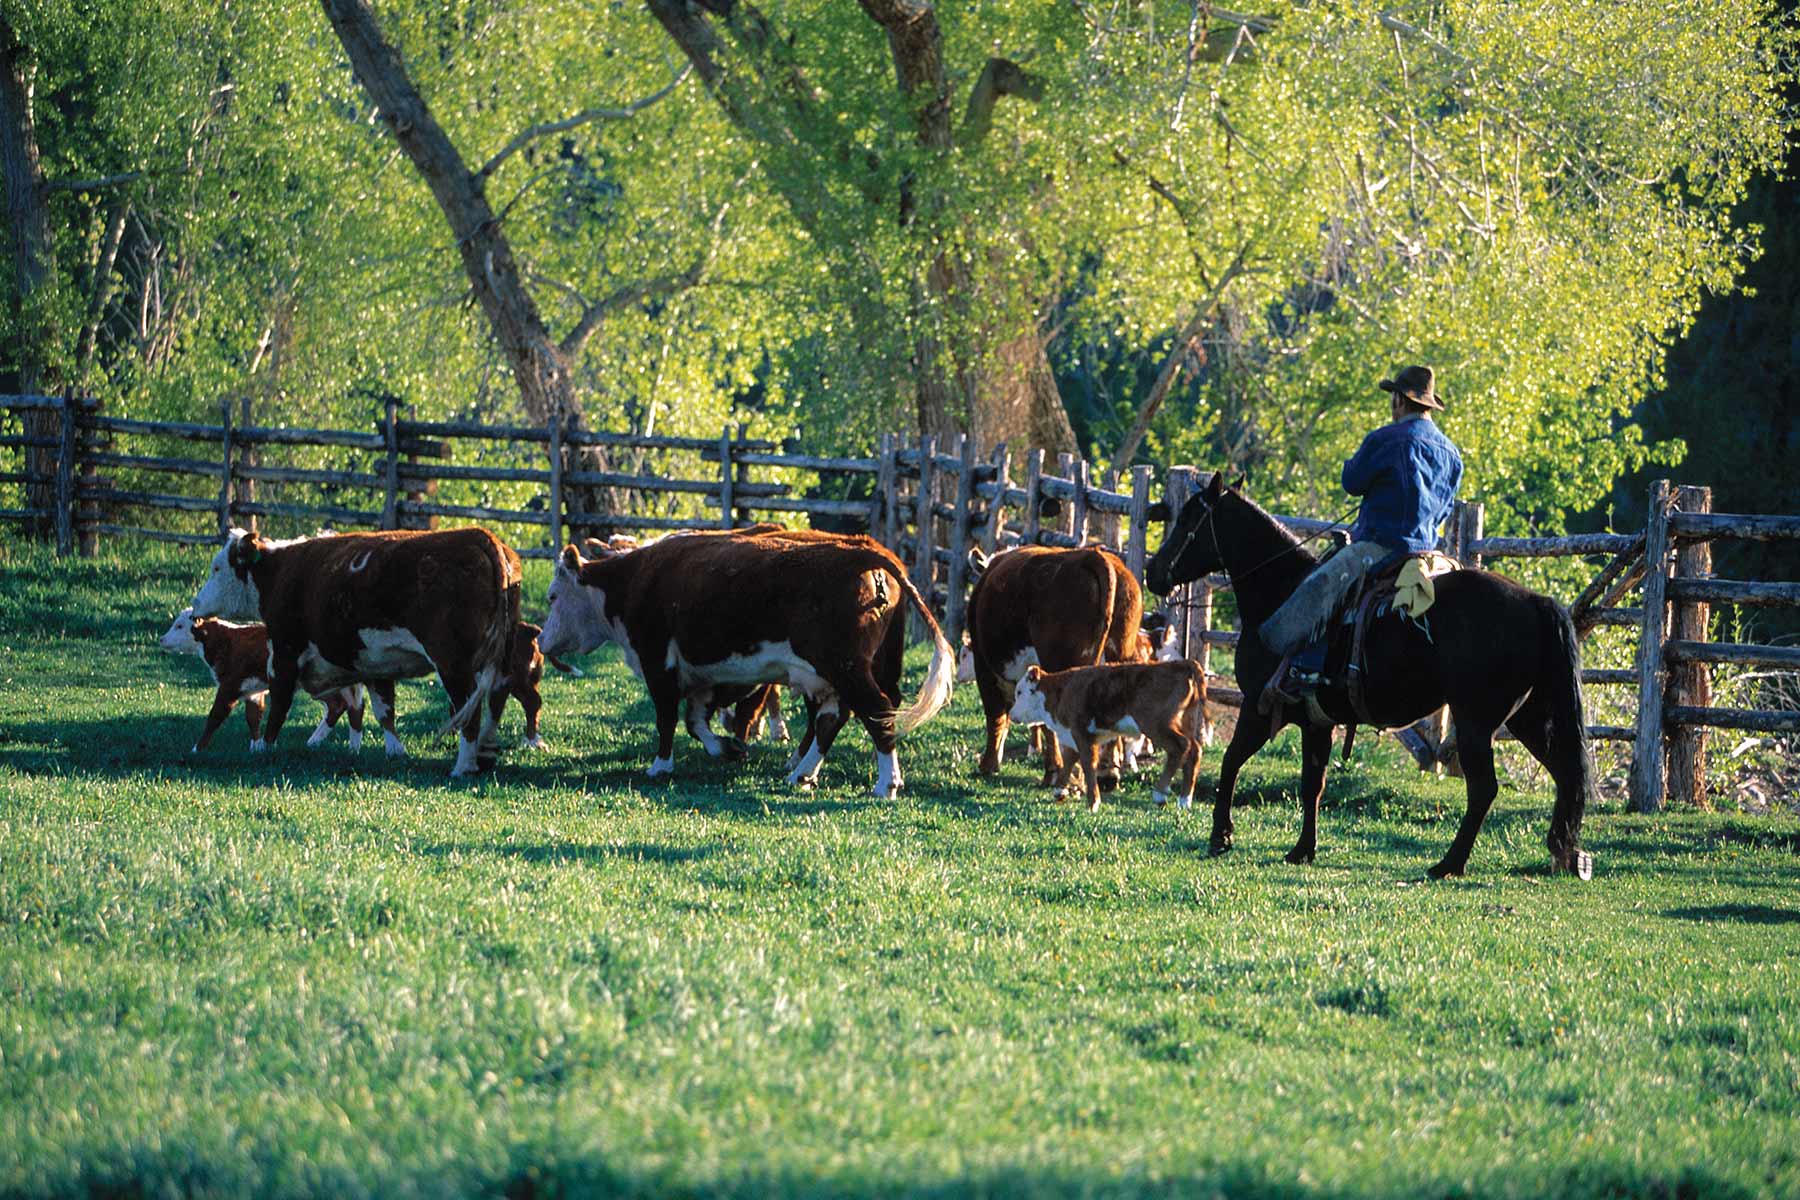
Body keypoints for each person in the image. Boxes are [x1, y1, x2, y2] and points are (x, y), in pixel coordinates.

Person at [1259, 365, 1463, 690]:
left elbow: (1351, 482)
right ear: (1427, 405)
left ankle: (1305, 668)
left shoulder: (1385, 439)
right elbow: (1446, 507)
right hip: (1428, 551)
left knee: (1322, 584)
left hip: (1381, 546)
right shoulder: (1452, 453)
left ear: (1399, 400)